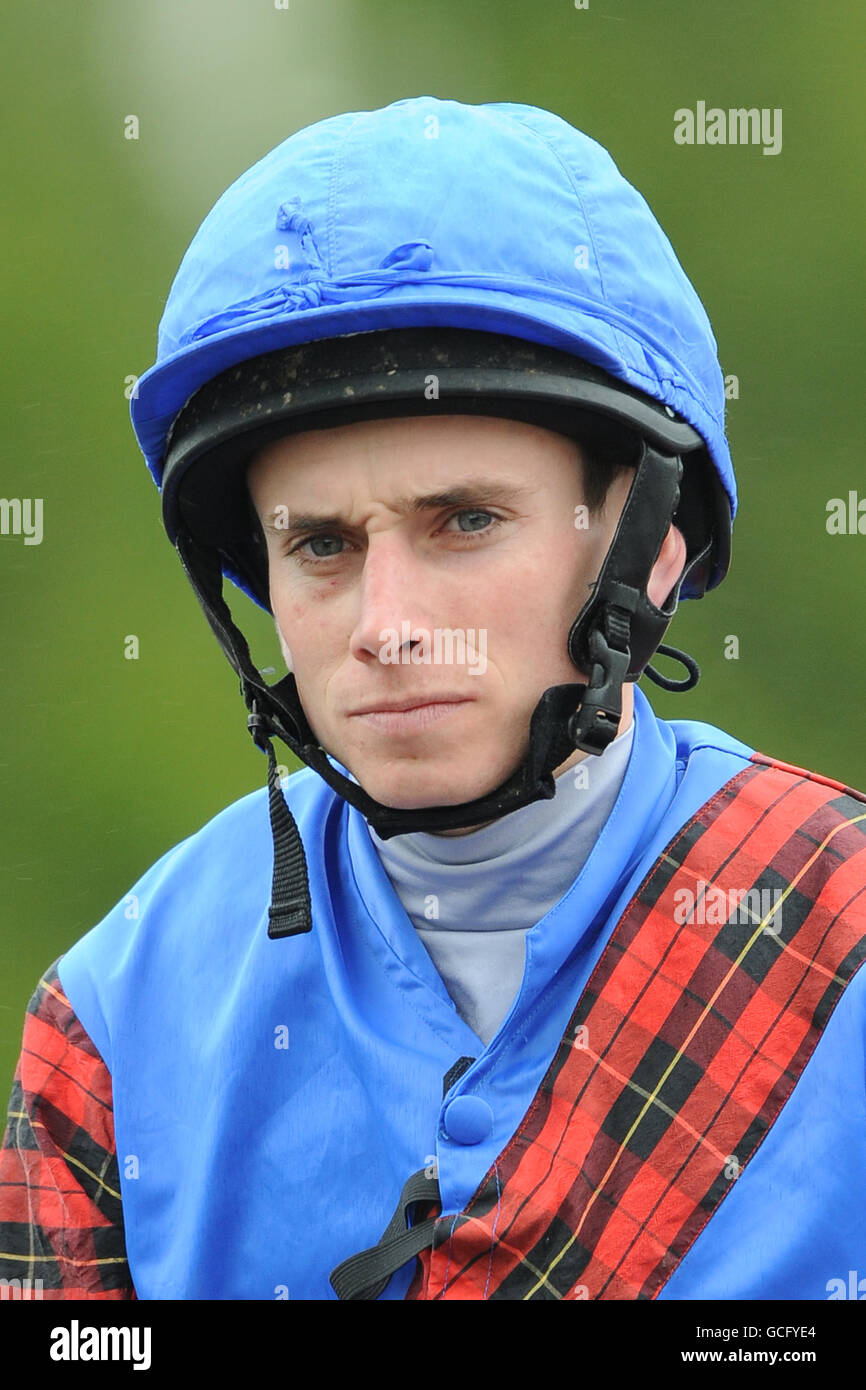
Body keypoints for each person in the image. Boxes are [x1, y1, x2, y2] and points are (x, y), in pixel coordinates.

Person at [2, 95, 865, 1303]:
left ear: (647, 546)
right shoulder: (110, 1026)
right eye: (318, 544)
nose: (383, 623)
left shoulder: (844, 937)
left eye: (464, 521)